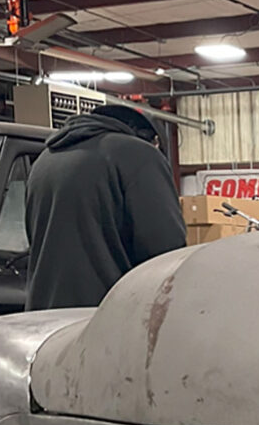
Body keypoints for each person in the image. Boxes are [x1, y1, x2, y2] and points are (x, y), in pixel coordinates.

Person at [24, 103, 186, 310]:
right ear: (150, 138)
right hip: (107, 317)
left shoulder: (44, 161)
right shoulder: (138, 155)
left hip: (45, 316)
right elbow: (167, 249)